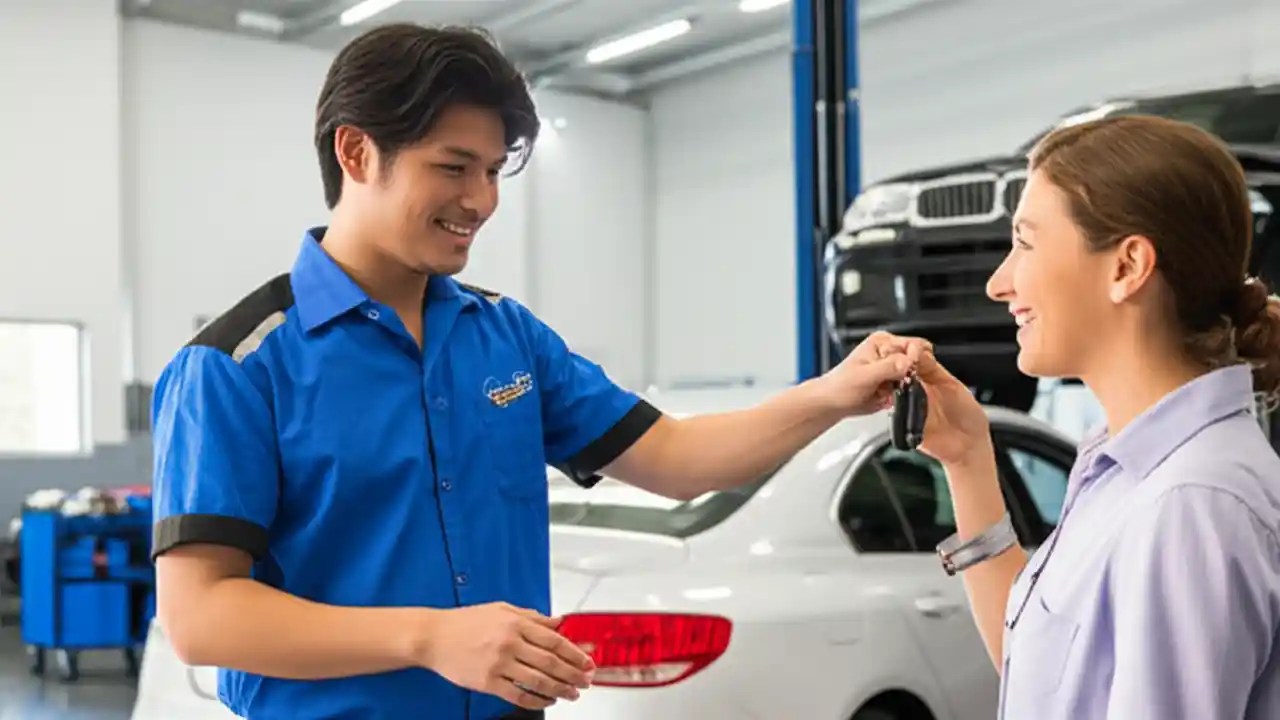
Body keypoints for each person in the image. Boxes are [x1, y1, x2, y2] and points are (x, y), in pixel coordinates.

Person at [148, 22, 927, 720]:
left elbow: (680, 459)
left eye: (492, 171)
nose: (480, 201)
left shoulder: (506, 339)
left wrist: (832, 395)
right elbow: (201, 616)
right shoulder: (236, 368)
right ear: (357, 153)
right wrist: (429, 637)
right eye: (454, 167)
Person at [894, 114, 1280, 719]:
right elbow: (1046, 681)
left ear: (1127, 267)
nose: (999, 283)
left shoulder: (1190, 504)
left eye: (1025, 243)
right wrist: (967, 459)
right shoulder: (1129, 471)